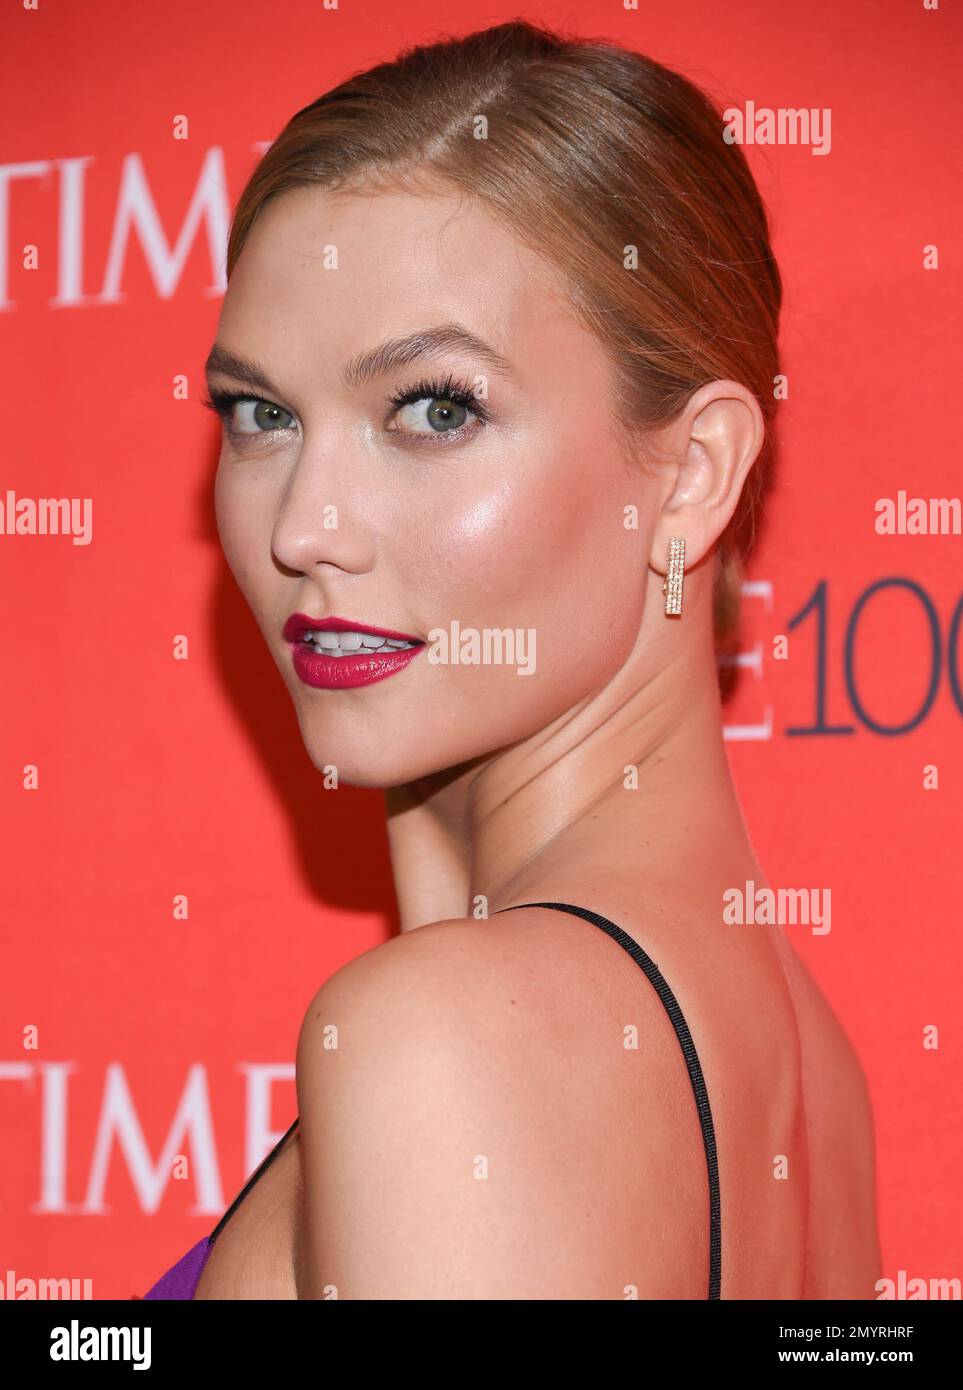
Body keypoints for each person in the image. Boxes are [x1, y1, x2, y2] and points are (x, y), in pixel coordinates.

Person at [146, 18, 880, 1299]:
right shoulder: (806, 1066)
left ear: (695, 473)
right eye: (261, 413)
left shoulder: (443, 1044)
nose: (302, 525)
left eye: (435, 408)